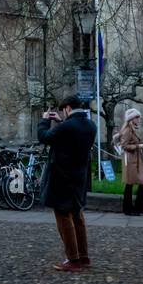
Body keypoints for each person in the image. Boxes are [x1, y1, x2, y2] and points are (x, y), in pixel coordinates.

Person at [38, 95, 97, 271]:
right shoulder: (90, 125)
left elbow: (44, 137)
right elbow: (70, 135)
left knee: (63, 216)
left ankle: (72, 259)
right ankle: (83, 256)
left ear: (67, 108)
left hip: (62, 177)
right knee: (77, 215)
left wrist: (44, 121)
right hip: (79, 176)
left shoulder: (67, 126)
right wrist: (61, 121)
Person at [114, 107, 143, 216]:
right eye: (137, 117)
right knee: (130, 184)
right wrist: (139, 146)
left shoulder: (132, 128)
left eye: (139, 117)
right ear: (131, 118)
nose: (139, 119)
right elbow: (124, 146)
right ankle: (129, 209)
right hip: (130, 160)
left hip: (135, 159)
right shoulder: (127, 130)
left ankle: (140, 207)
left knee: (142, 182)